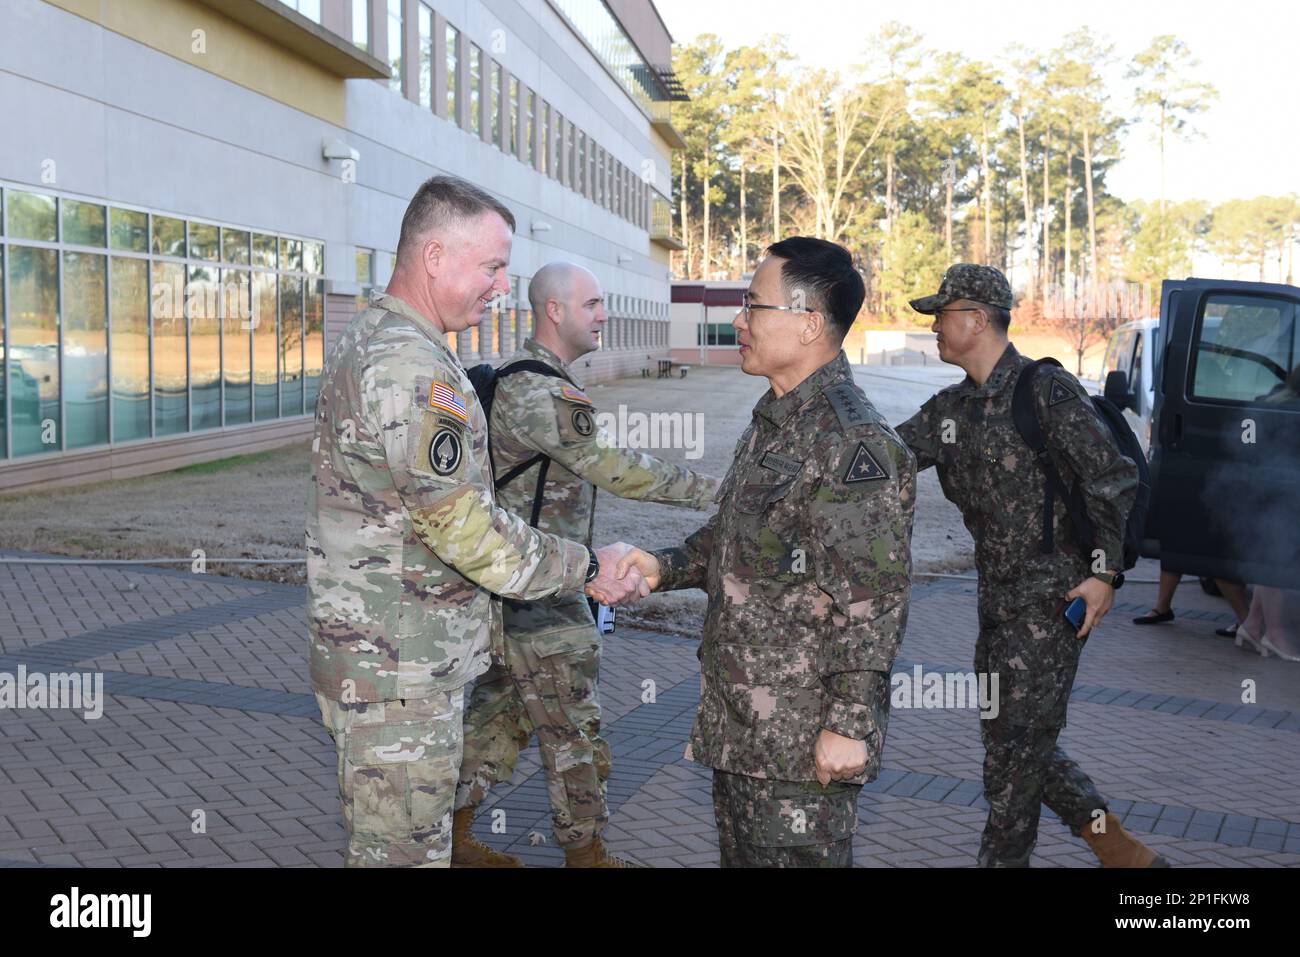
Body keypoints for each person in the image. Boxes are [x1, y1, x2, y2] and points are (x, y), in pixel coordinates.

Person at [306, 175, 648, 868]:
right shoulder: (408, 366)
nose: (499, 286)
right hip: (398, 672)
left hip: (392, 658)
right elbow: (469, 532)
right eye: (491, 266)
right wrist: (586, 566)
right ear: (434, 258)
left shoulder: (383, 337)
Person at [618, 237, 917, 867]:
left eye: (754, 305)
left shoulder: (853, 443)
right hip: (747, 729)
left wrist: (849, 723)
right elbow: (736, 540)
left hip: (803, 742)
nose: (738, 321)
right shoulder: (777, 418)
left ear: (809, 323)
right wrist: (660, 565)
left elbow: (871, 599)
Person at [893, 263, 1167, 868]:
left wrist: (1104, 573)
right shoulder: (952, 409)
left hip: (1053, 599)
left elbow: (1112, 478)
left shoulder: (1045, 392)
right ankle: (1114, 845)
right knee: (1016, 744)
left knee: (1012, 762)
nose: (934, 326)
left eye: (941, 314)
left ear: (976, 318)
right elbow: (885, 462)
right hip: (997, 603)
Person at [453, 262, 720, 868]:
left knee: (499, 713)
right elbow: (612, 466)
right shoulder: (541, 390)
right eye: (593, 305)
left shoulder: (527, 382)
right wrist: (711, 491)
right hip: (547, 589)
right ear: (555, 311)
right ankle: (586, 855)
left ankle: (454, 839)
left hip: (512, 585)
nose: (603, 316)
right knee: (573, 728)